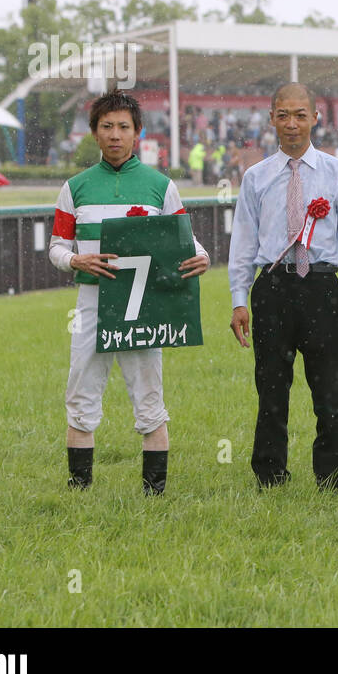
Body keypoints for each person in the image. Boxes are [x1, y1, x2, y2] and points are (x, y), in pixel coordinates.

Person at [48, 91, 210, 494]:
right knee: (81, 393)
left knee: (149, 397)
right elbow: (56, 247)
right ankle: (78, 491)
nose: (115, 135)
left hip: (145, 309)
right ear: (94, 133)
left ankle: (154, 495)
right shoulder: (75, 188)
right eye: (107, 127)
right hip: (91, 305)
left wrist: (203, 256)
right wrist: (75, 261)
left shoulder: (160, 186)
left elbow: (186, 240)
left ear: (137, 132)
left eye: (123, 127)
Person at [228, 82, 338, 489]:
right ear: (271, 118)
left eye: (300, 115)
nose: (292, 124)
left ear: (315, 118)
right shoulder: (255, 178)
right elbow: (243, 243)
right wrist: (240, 300)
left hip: (322, 288)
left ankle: (331, 476)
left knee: (329, 392)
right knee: (271, 389)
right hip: (272, 288)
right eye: (284, 115)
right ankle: (270, 475)